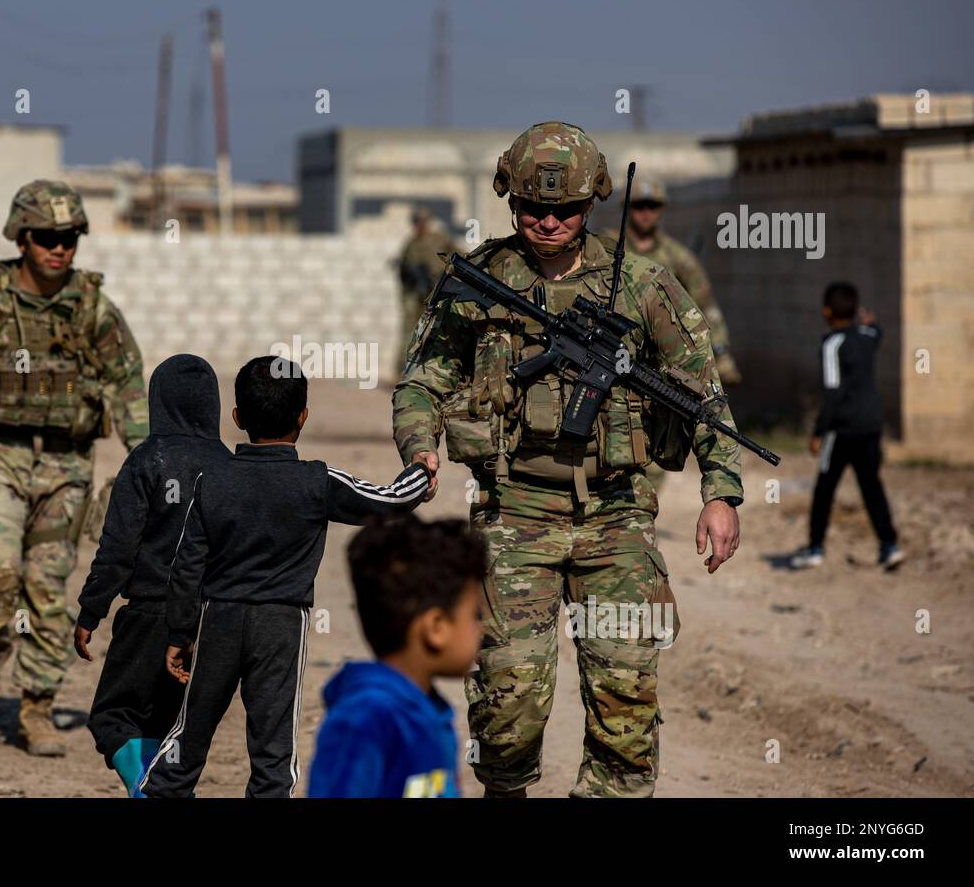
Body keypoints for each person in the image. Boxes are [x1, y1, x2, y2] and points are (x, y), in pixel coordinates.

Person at [394, 122, 743, 798]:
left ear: (593, 204)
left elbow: (703, 394)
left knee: (625, 706)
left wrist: (721, 493)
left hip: (616, 519)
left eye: (566, 209)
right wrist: (421, 445)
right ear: (511, 200)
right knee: (505, 708)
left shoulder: (643, 286)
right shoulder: (477, 283)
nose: (549, 220)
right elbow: (422, 381)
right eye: (534, 207)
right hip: (512, 514)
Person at [0, 180, 149, 756]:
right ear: (21, 238)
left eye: (70, 237)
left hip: (66, 463)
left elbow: (127, 387)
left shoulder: (92, 308)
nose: (60, 248)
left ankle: (38, 704)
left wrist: (148, 461)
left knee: (47, 589)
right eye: (47, 237)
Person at [138, 355, 431, 798]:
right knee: (274, 750)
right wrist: (421, 473)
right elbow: (386, 500)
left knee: (188, 735)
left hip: (217, 619)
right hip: (281, 626)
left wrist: (180, 631)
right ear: (303, 417)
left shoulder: (211, 478)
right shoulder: (315, 481)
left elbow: (187, 564)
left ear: (237, 418)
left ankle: (160, 792)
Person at [74, 353, 230, 794]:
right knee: (171, 726)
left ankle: (151, 790)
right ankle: (168, 787)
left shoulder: (147, 459)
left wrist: (91, 611)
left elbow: (117, 549)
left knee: (114, 716)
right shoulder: (228, 464)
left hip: (150, 617)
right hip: (210, 620)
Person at [308, 516, 486, 798]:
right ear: (436, 628)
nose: (481, 628)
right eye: (474, 615)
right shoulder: (364, 720)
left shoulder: (427, 711)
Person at [789, 282, 902, 571]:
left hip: (841, 431)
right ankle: (889, 545)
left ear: (827, 311)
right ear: (854, 310)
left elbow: (832, 394)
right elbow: (878, 332)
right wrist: (871, 322)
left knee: (824, 489)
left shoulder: (832, 345)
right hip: (871, 427)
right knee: (871, 486)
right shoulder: (866, 335)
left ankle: (815, 548)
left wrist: (818, 432)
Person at [606, 176, 742, 386]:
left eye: (652, 206)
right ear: (626, 208)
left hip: (661, 354)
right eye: (639, 205)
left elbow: (704, 306)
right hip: (613, 345)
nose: (645, 212)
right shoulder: (607, 249)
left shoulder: (679, 257)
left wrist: (721, 353)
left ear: (661, 209)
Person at [395, 208, 460, 376]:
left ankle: (437, 371)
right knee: (409, 331)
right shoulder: (410, 244)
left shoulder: (440, 239)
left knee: (439, 329)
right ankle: (402, 372)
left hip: (436, 291)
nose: (420, 226)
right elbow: (402, 269)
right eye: (417, 222)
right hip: (415, 294)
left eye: (422, 222)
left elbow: (459, 256)